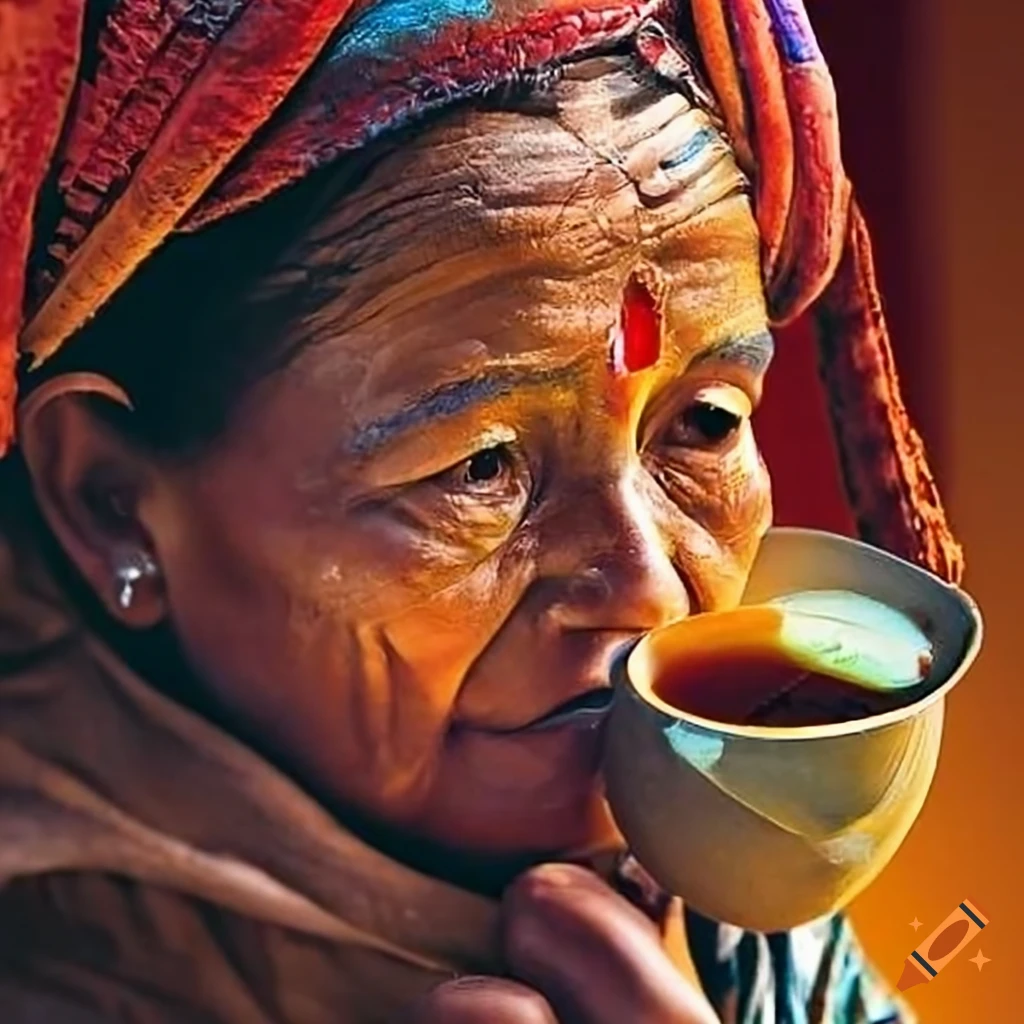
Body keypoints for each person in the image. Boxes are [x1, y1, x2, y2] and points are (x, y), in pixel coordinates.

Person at [0, 2, 961, 1021]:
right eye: (480, 467)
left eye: (706, 422)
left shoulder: (744, 932)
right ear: (113, 505)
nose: (646, 590)